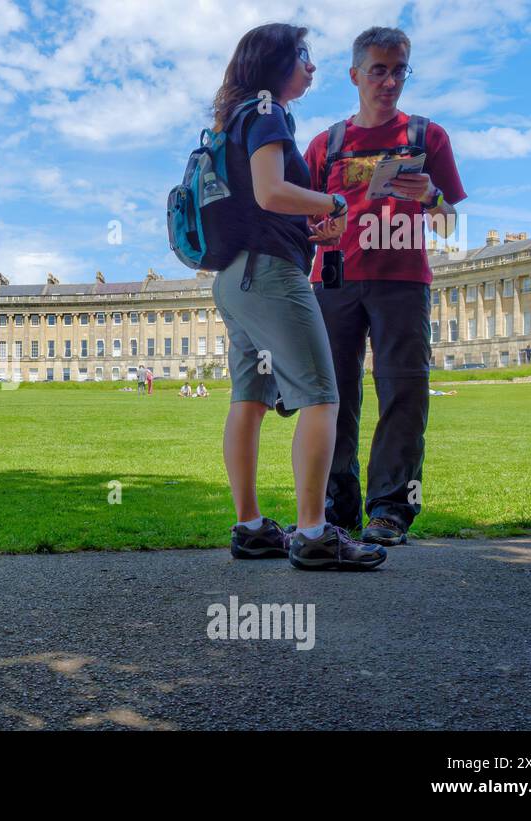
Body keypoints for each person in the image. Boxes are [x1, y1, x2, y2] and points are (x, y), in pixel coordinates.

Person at [207, 23, 385, 571]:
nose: (312, 66)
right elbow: (270, 191)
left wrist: (311, 216)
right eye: (304, 56)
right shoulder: (267, 113)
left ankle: (252, 527)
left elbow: (257, 202)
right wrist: (332, 203)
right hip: (270, 276)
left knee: (250, 401)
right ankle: (313, 534)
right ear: (275, 61)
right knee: (321, 396)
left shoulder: (233, 118)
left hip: (234, 278)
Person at [304, 26, 467, 548]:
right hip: (333, 280)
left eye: (400, 70)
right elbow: (299, 219)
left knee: (404, 393)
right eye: (379, 69)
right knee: (333, 397)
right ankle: (335, 507)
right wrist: (317, 227)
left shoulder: (428, 137)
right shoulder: (325, 145)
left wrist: (433, 195)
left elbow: (447, 224)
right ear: (355, 75)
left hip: (401, 280)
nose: (391, 80)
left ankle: (391, 510)